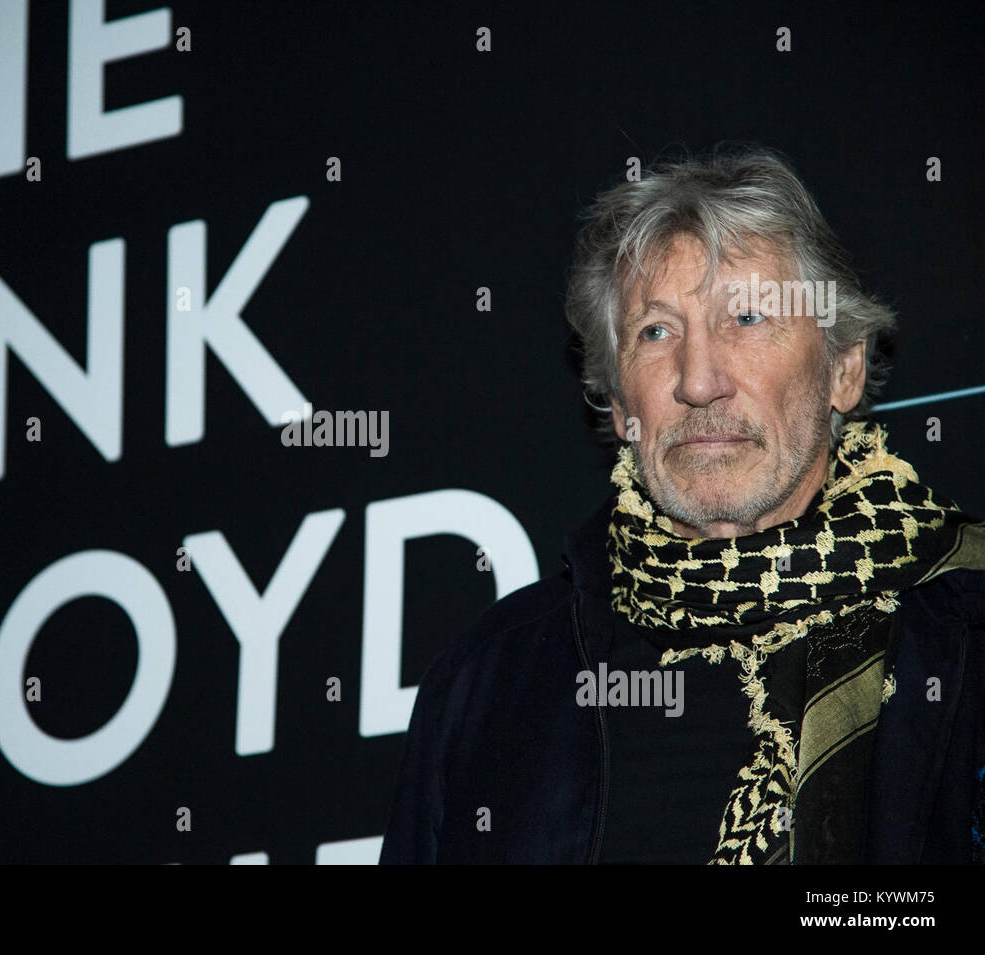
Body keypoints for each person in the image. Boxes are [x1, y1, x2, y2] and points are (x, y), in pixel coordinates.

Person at [379, 147, 985, 864]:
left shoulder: (965, 634)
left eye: (749, 316)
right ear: (617, 402)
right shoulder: (491, 686)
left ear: (843, 369)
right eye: (656, 332)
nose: (699, 381)